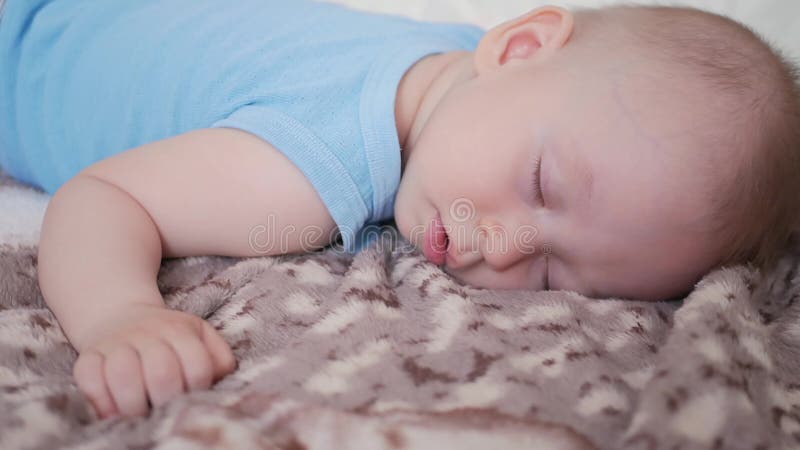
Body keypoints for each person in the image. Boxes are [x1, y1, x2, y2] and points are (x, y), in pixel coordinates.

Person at [1, 0, 798, 418]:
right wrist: (119, 316)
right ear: (519, 48)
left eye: (561, 270)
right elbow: (101, 197)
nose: (510, 245)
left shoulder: (458, 64)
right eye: (544, 186)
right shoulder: (310, 172)